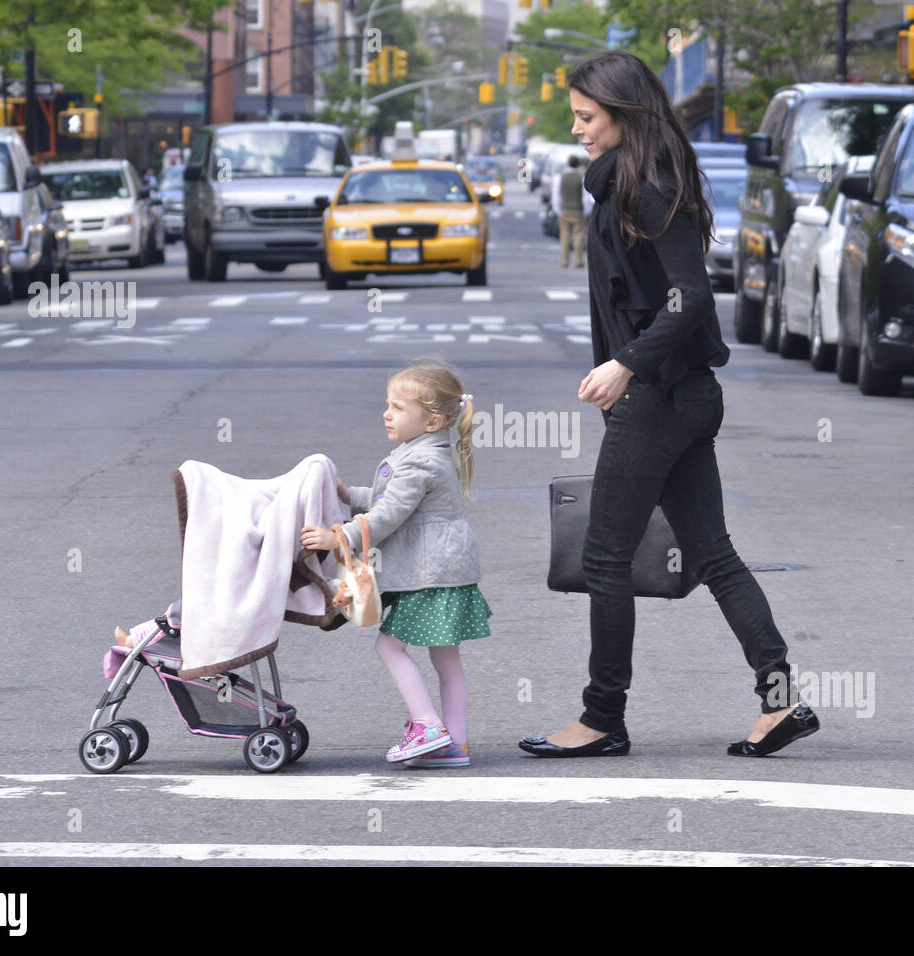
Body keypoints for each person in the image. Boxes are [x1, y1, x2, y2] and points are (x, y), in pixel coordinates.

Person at [518, 51, 819, 760]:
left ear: (625, 114)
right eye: (577, 116)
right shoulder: (627, 183)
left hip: (659, 398)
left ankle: (602, 718)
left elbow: (691, 294)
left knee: (604, 559)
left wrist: (627, 364)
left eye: (589, 117)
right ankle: (781, 704)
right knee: (712, 553)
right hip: (680, 396)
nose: (578, 127)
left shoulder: (647, 187)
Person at [302, 363, 491, 767]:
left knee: (389, 647)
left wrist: (340, 536)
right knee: (446, 658)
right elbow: (391, 497)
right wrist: (350, 494)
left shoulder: (420, 461)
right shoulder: (426, 452)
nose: (387, 414)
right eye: (387, 405)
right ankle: (455, 742)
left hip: (431, 574)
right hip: (447, 570)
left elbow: (389, 514)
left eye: (398, 408)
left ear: (432, 420)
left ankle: (427, 725)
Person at [553, 154, 593, 268]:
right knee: (579, 235)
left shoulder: (561, 177)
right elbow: (585, 197)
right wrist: (586, 211)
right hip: (578, 210)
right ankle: (578, 260)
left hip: (565, 209)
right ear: (578, 164)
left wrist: (558, 209)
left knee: (565, 235)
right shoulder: (581, 177)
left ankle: (565, 260)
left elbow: (557, 195)